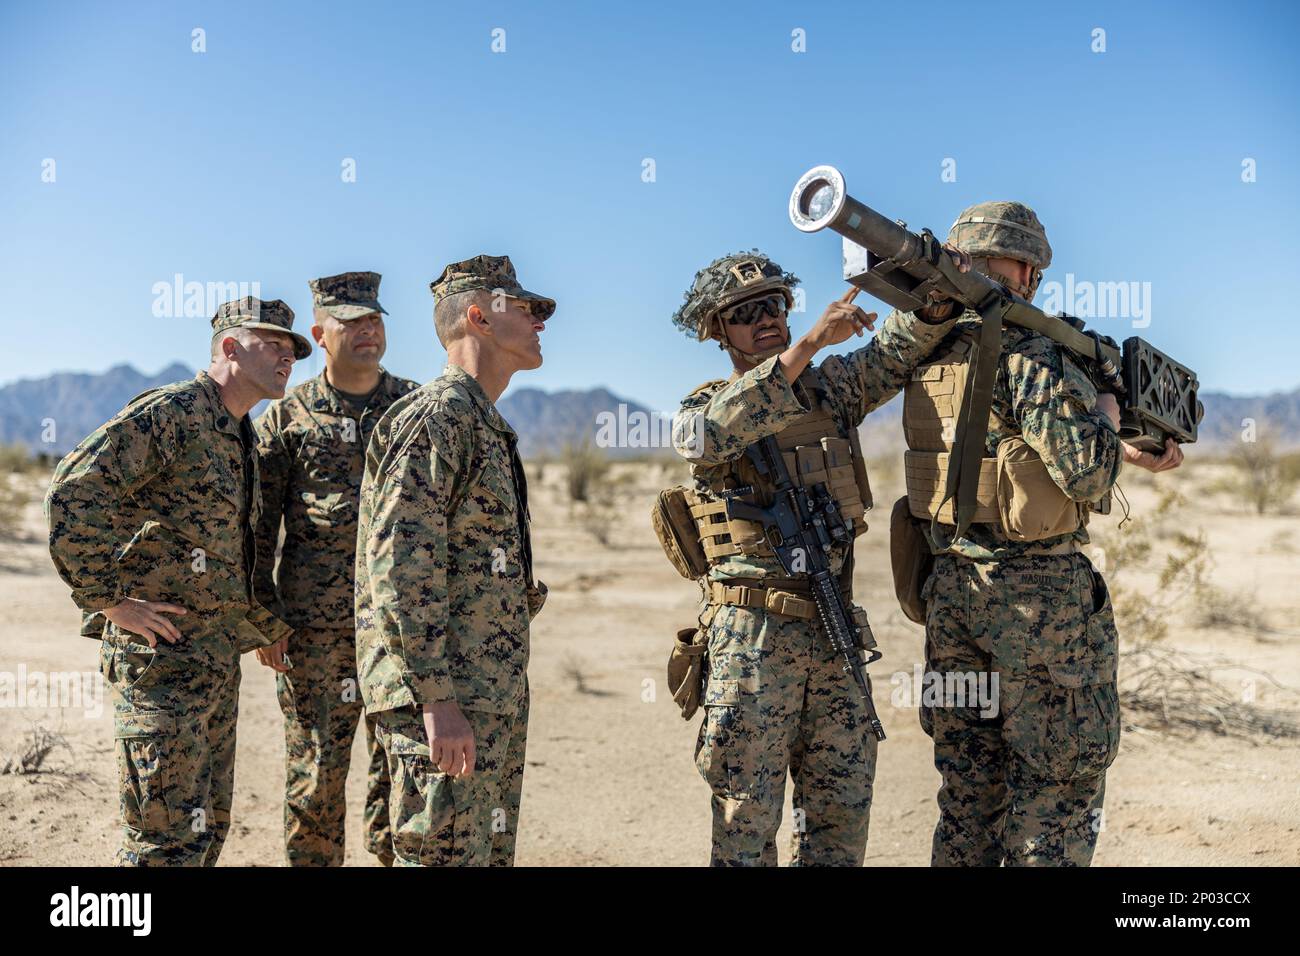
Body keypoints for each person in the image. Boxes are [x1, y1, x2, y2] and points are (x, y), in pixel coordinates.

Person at [905, 202, 1183, 866]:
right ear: (1025, 269)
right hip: (1038, 601)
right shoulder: (1030, 348)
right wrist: (1111, 424)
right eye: (1022, 265)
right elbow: (1086, 473)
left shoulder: (928, 347)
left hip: (952, 588)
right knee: (1057, 797)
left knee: (968, 799)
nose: (1026, 278)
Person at [668, 248, 967, 865]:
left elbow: (896, 352)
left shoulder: (830, 390)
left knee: (841, 813)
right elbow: (709, 439)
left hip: (833, 630)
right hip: (752, 640)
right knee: (745, 820)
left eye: (774, 305)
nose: (765, 318)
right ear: (717, 330)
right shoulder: (703, 406)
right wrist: (808, 342)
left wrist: (935, 295)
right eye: (745, 313)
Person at [45, 296, 310, 865]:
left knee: (203, 833)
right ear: (230, 348)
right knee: (160, 845)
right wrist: (108, 601)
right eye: (275, 347)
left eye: (294, 352)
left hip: (213, 663)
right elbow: (73, 489)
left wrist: (260, 624)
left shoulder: (241, 434)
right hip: (160, 666)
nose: (289, 360)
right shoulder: (175, 412)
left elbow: (227, 552)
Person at [355, 254, 551, 866]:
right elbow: (400, 566)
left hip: (483, 693)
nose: (541, 320)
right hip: (444, 699)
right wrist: (436, 697)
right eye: (526, 308)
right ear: (479, 318)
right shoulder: (438, 418)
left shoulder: (482, 423)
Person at [253, 271, 418, 866]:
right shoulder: (286, 418)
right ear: (320, 334)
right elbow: (258, 528)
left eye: (375, 319)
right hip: (314, 633)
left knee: (403, 770)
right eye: (351, 322)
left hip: (401, 629)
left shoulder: (415, 408)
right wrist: (263, 617)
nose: (368, 330)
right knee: (316, 777)